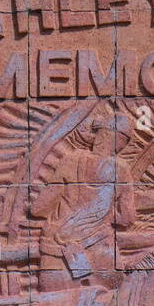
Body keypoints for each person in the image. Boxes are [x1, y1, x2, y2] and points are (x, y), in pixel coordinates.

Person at [31, 113, 136, 290]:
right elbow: (127, 218)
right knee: (116, 303)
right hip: (100, 251)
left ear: (101, 134)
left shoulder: (71, 160)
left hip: (58, 249)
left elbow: (39, 209)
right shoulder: (122, 169)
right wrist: (107, 215)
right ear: (121, 143)